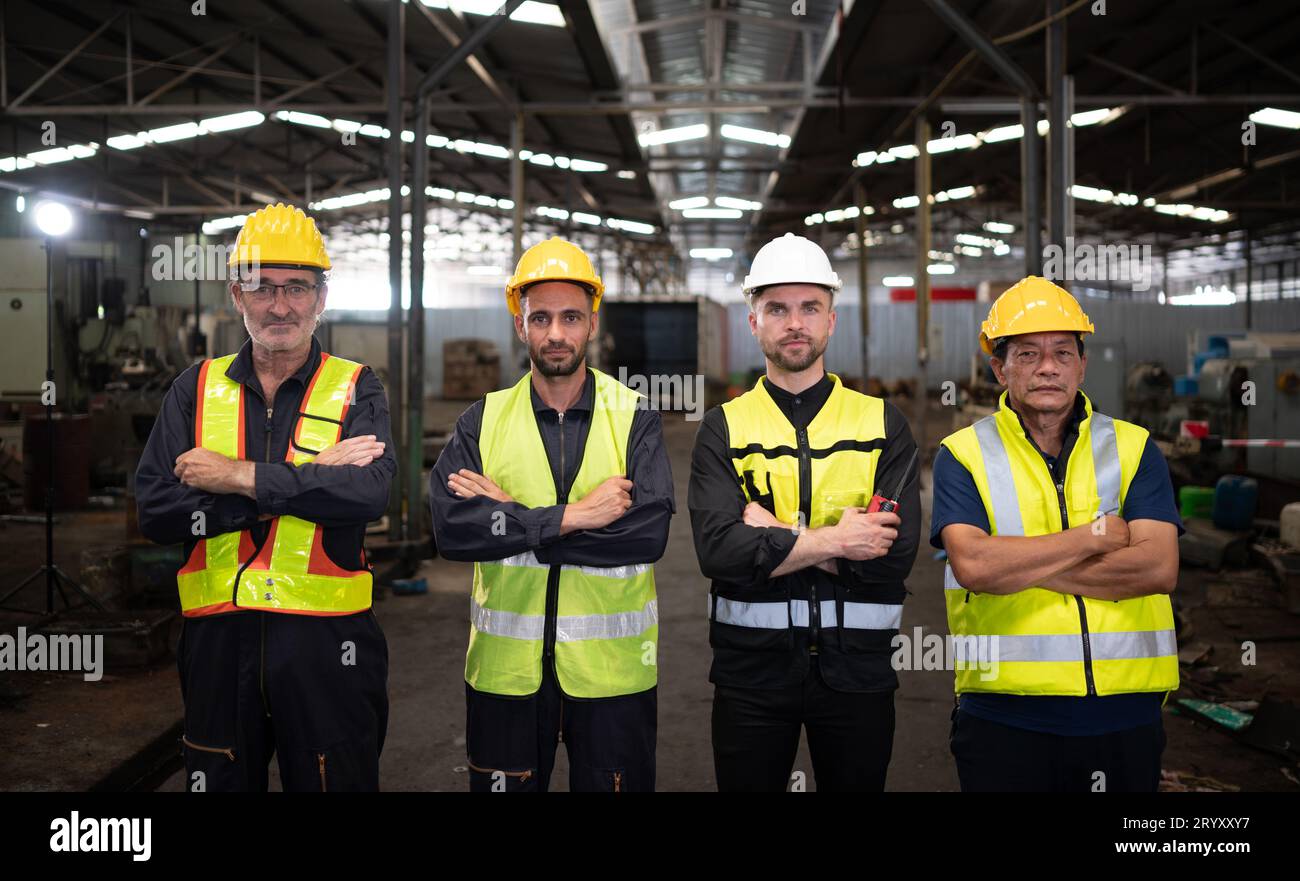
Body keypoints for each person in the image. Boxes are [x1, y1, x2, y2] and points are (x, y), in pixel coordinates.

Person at [136, 202, 394, 791]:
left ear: (321, 297)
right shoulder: (193, 389)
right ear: (237, 295)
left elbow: (368, 495)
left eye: (297, 288)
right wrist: (290, 486)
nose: (280, 306)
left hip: (328, 645)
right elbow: (156, 512)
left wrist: (235, 475)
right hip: (218, 646)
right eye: (263, 288)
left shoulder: (358, 386)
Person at [430, 236, 674, 792]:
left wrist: (513, 520)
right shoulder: (481, 420)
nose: (555, 333)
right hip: (505, 676)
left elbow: (647, 533)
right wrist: (578, 516)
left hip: (612, 677)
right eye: (540, 318)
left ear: (592, 323)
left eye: (570, 317)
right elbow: (452, 529)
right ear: (520, 325)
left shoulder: (634, 416)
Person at [689, 232, 919, 791]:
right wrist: (841, 540)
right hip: (751, 674)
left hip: (858, 674)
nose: (795, 323)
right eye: (777, 309)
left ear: (831, 320)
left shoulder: (882, 424)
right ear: (755, 322)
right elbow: (720, 552)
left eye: (810, 307)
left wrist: (777, 534)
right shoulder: (724, 427)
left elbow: (893, 559)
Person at [934, 275, 1181, 792]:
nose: (1048, 367)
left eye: (1063, 352)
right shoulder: (962, 454)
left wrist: (1017, 564)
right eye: (1027, 354)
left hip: (1126, 714)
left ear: (1082, 365)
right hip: (1005, 717)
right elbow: (974, 567)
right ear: (999, 368)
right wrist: (1092, 538)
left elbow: (1157, 568)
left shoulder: (1134, 448)